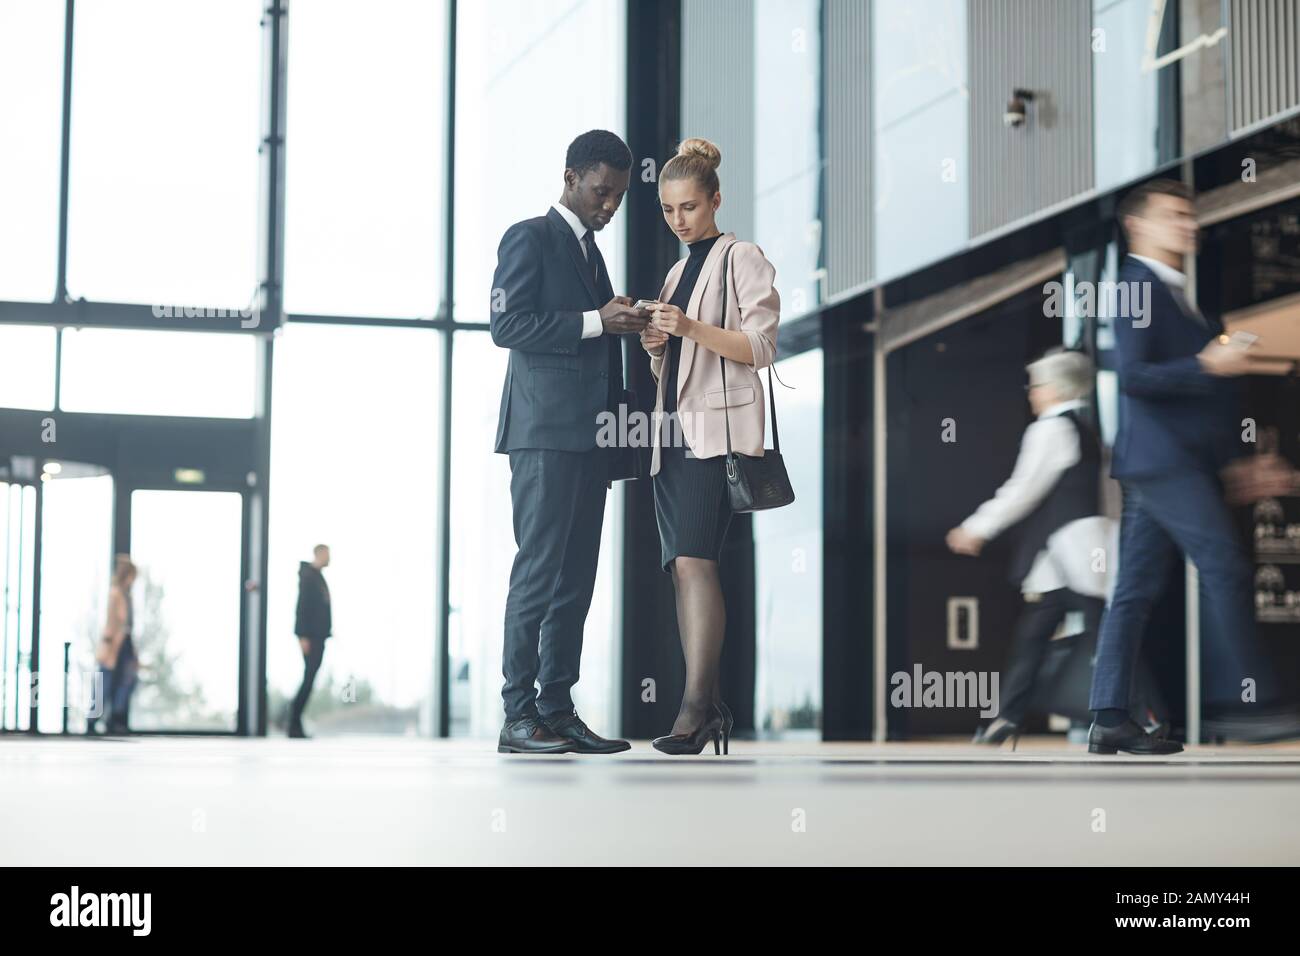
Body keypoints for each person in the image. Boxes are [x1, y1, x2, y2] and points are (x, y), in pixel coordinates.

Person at [1087, 178, 1296, 755]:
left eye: (1190, 214)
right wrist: (1206, 366)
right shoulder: (1135, 287)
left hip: (1169, 465)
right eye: (1174, 215)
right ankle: (1246, 703)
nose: (1188, 224)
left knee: (1133, 592)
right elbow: (1133, 377)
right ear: (1138, 225)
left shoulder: (1179, 295)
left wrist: (1234, 467)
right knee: (1225, 567)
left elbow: (1199, 398)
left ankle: (1108, 718)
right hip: (1162, 464)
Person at [490, 130, 648, 755]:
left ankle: (556, 709)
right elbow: (506, 324)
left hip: (591, 439)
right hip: (544, 435)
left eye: (617, 198)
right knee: (538, 573)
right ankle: (517, 715)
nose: (609, 206)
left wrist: (621, 319)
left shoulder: (589, 253)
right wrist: (595, 320)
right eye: (601, 193)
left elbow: (592, 331)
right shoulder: (529, 236)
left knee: (575, 580)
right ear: (571, 177)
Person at [639, 137, 780, 756]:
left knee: (696, 562)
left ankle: (696, 709)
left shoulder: (740, 256)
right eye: (669, 210)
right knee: (682, 568)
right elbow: (688, 364)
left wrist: (690, 327)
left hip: (713, 437)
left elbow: (762, 347)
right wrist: (657, 347)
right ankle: (707, 703)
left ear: (715, 200)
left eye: (689, 207)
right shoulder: (676, 271)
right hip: (672, 438)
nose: (678, 220)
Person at [947, 350, 1117, 747]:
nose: (1032, 394)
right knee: (1037, 635)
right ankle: (1007, 716)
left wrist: (976, 528)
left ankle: (1140, 714)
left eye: (1037, 385)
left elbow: (1023, 489)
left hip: (1070, 553)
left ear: (1056, 388)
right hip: (1076, 556)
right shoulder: (1090, 429)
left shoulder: (1051, 429)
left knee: (1102, 636)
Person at [91, 554, 138, 735]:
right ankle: (94, 718)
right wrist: (109, 641)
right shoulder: (116, 594)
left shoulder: (126, 595)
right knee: (105, 680)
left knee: (126, 680)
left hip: (124, 642)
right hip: (113, 644)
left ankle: (115, 719)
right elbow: (113, 621)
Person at [290, 544, 331, 739]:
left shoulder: (318, 577)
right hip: (311, 637)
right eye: (326, 554)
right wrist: (303, 636)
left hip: (319, 636)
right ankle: (292, 722)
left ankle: (294, 722)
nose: (329, 557)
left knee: (310, 679)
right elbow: (302, 607)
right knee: (308, 680)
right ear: (318, 554)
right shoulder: (309, 577)